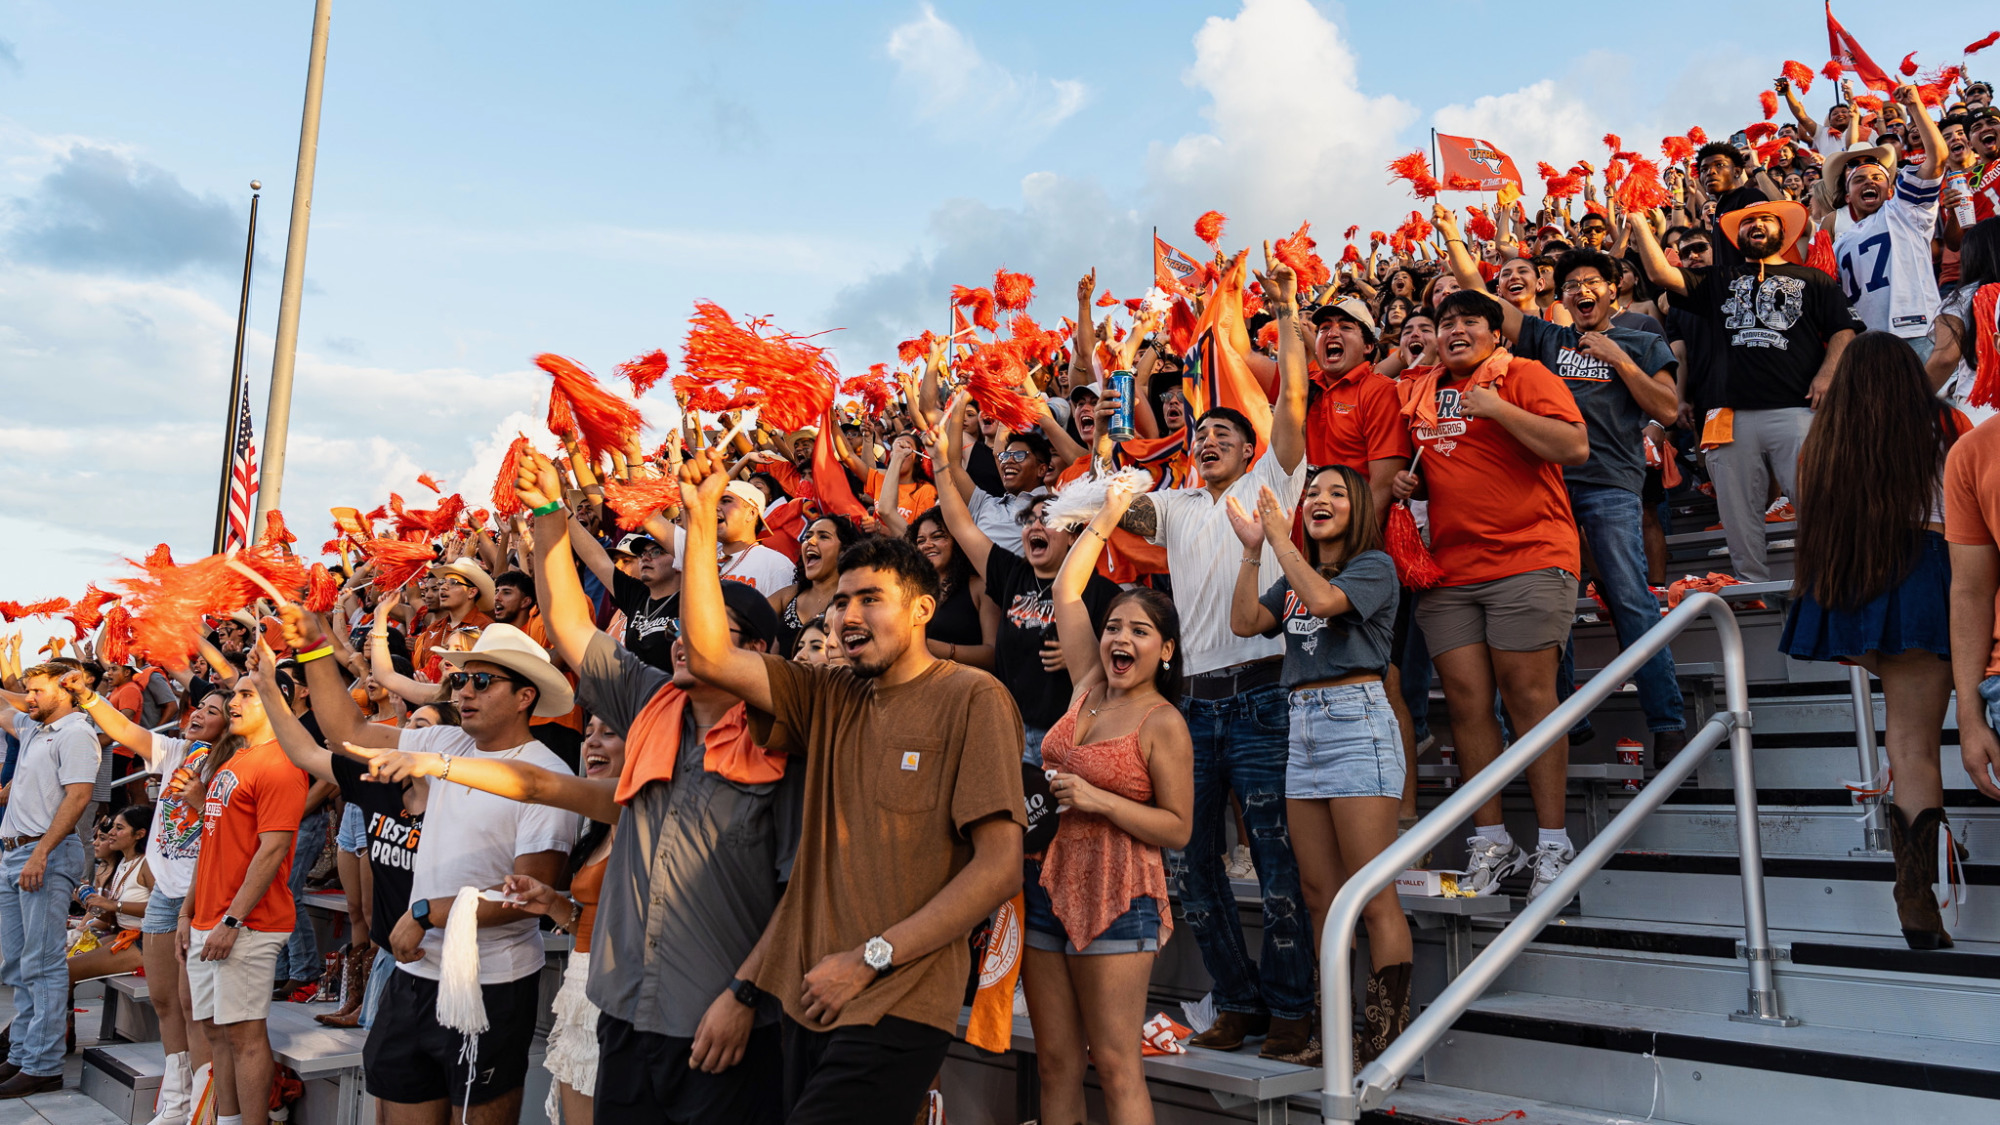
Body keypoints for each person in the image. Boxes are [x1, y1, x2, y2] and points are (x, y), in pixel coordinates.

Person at [676, 444, 1025, 1125]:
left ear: (923, 609)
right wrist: (696, 520)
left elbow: (1000, 867)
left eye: (872, 598)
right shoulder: (827, 693)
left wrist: (869, 959)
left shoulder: (974, 698)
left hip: (896, 998)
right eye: (840, 602)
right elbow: (713, 654)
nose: (849, 616)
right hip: (808, 998)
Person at [507, 448, 801, 1124]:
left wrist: (744, 996)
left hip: (723, 1031)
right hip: (625, 1012)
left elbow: (797, 895)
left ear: (755, 653)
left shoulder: (782, 744)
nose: (681, 640)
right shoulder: (647, 700)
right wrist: (551, 512)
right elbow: (570, 625)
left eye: (711, 631)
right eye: (680, 626)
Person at [1112, 249, 1313, 1057]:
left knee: (1274, 857)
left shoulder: (1273, 483)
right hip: (1193, 701)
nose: (1207, 442)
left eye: (1223, 431)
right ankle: (1237, 999)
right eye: (1199, 437)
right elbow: (1118, 508)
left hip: (1265, 693)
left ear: (1252, 443)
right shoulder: (1181, 504)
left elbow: (1293, 395)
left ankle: (1294, 1008)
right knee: (1190, 864)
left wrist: (1289, 312)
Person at [285, 611, 579, 1125]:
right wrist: (313, 648)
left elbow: (530, 897)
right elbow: (346, 732)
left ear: (525, 696)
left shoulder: (548, 776)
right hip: (414, 973)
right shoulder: (446, 744)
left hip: (490, 986)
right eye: (460, 679)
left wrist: (426, 912)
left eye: (482, 681)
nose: (463, 691)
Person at [1445, 215, 1690, 765]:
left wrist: (1620, 359)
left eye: (1592, 283)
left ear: (1613, 289)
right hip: (1545, 489)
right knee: (1554, 608)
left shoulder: (1641, 339)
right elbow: (1482, 299)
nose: (1582, 290)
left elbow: (1668, 409)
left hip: (1610, 485)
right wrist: (1453, 234)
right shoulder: (1547, 338)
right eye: (1572, 284)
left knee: (1629, 599)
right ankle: (1566, 718)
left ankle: (1667, 721)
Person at [1390, 288, 1590, 898]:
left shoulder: (1523, 373)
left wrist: (1496, 408)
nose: (1454, 329)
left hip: (1530, 556)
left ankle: (1554, 843)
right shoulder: (1420, 389)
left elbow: (1573, 447)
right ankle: (1492, 841)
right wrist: (1408, 484)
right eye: (1444, 322)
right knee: (1466, 707)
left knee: (1529, 698)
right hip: (1450, 572)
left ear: (1495, 333)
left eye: (1469, 321)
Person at [354, 713, 631, 1125]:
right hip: (580, 993)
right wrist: (556, 906)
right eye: (588, 733)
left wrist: (434, 763)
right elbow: (592, 920)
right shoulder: (599, 828)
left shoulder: (642, 814)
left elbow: (534, 785)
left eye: (609, 734)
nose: (592, 743)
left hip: (610, 994)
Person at [1783, 332, 1968, 948]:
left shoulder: (1822, 443)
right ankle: (1925, 856)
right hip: (1934, 572)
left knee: (1909, 742)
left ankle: (1916, 886)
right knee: (1932, 736)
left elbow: (1811, 520)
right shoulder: (1946, 424)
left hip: (1860, 580)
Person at [1226, 464, 1410, 1067]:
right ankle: (1335, 1036)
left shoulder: (1373, 568)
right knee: (1319, 896)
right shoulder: (1299, 571)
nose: (1319, 500)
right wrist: (1255, 551)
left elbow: (1328, 602)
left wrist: (1282, 542)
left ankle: (1383, 1044)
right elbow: (1245, 622)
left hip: (1356, 722)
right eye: (1314, 493)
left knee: (1371, 897)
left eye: (1336, 492)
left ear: (1358, 507)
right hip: (1301, 723)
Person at [1022, 475, 1193, 1121]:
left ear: (1166, 650)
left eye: (1141, 630)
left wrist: (1097, 798)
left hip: (1120, 896)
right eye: (1114, 626)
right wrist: (1111, 512)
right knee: (1056, 1061)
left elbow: (1177, 828)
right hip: (1044, 883)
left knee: (1118, 1065)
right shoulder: (1086, 686)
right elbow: (1067, 588)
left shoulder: (1163, 723)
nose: (1122, 638)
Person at [1632, 200, 1863, 584]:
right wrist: (1639, 219)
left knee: (1823, 509)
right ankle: (1754, 587)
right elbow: (1660, 273)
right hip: (1729, 418)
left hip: (1797, 412)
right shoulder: (1717, 278)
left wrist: (1827, 374)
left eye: (1764, 220)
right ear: (1736, 236)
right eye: (1747, 221)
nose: (1755, 225)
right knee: (1738, 519)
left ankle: (1834, 588)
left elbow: (1845, 329)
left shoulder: (1814, 279)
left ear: (1783, 232)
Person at [63, 682, 228, 1122]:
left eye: (212, 712)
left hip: (202, 894)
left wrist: (197, 797)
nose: (197, 715)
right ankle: (174, 1103)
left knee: (194, 1008)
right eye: (199, 707)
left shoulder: (232, 762)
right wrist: (89, 696)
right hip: (164, 895)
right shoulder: (179, 751)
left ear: (228, 725)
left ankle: (200, 1106)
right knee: (163, 1001)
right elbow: (127, 730)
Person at [939, 399, 1123, 764]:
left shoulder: (1101, 591)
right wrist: (940, 459)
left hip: (1076, 734)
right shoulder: (1011, 572)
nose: (1036, 526)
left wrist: (1089, 660)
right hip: (1012, 730)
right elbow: (959, 524)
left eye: (1048, 520)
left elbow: (1130, 656)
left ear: (1073, 536)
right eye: (1030, 521)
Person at [178, 669, 307, 1125]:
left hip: (248, 923)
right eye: (235, 693)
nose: (234, 702)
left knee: (246, 1035)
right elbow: (212, 842)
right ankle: (226, 1119)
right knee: (215, 1031)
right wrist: (188, 911)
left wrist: (231, 921)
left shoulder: (281, 763)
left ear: (277, 702)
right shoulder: (235, 761)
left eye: (248, 695)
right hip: (209, 917)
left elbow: (272, 849)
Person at [0, 662, 100, 1096]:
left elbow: (79, 798)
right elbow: (4, 707)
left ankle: (42, 1065)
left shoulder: (77, 732)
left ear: (65, 690)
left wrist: (40, 853)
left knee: (41, 964)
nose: (29, 698)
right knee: (17, 963)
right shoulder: (36, 725)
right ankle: (21, 1054)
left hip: (45, 851)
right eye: (28, 691)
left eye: (37, 690)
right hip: (14, 852)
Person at [1826, 86, 1948, 356]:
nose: (1868, 181)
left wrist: (1915, 107)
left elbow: (1937, 159)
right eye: (1858, 179)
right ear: (1848, 196)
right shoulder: (1839, 243)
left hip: (1917, 332)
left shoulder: (1904, 210)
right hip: (1868, 344)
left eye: (1877, 177)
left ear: (1891, 190)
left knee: (1930, 399)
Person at [67, 806, 151, 986]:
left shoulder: (148, 863)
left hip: (144, 943)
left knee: (65, 970)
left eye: (119, 828)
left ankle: (60, 1014)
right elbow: (112, 919)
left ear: (139, 834)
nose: (112, 832)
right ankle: (61, 1013)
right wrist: (89, 903)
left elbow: (162, 908)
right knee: (57, 961)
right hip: (121, 934)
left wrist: (114, 905)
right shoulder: (122, 864)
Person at [906, 506, 999, 670]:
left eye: (937, 537)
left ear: (957, 540)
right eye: (921, 541)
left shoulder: (979, 586)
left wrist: (946, 650)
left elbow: (994, 654)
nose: (927, 545)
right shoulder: (914, 591)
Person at [770, 515, 865, 658]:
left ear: (844, 551)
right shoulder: (788, 595)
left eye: (823, 537)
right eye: (808, 536)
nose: (811, 541)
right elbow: (745, 620)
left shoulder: (855, 600)